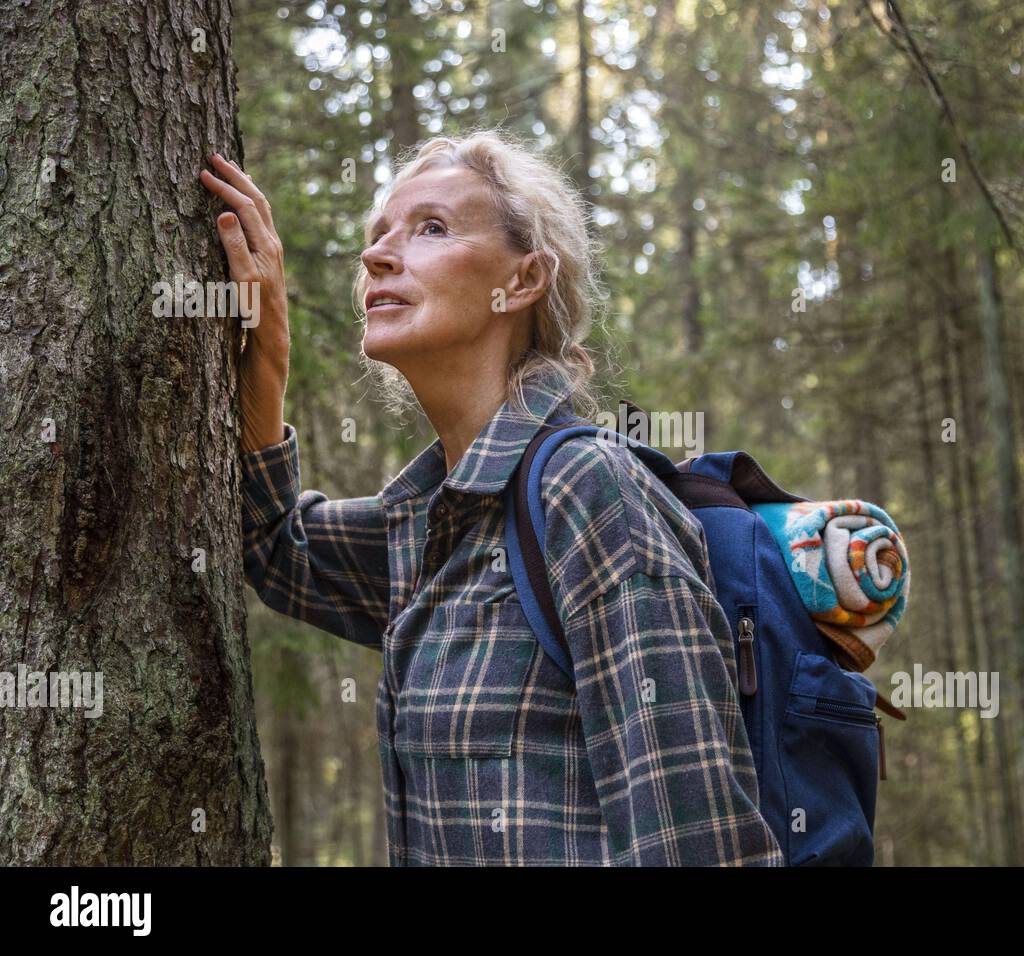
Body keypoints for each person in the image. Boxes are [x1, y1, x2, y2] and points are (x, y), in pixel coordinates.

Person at [201, 129, 784, 866]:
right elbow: (279, 549)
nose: (376, 255)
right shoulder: (432, 521)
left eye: (431, 229)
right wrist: (269, 350)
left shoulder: (587, 492)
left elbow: (697, 846)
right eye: (379, 235)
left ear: (524, 280)